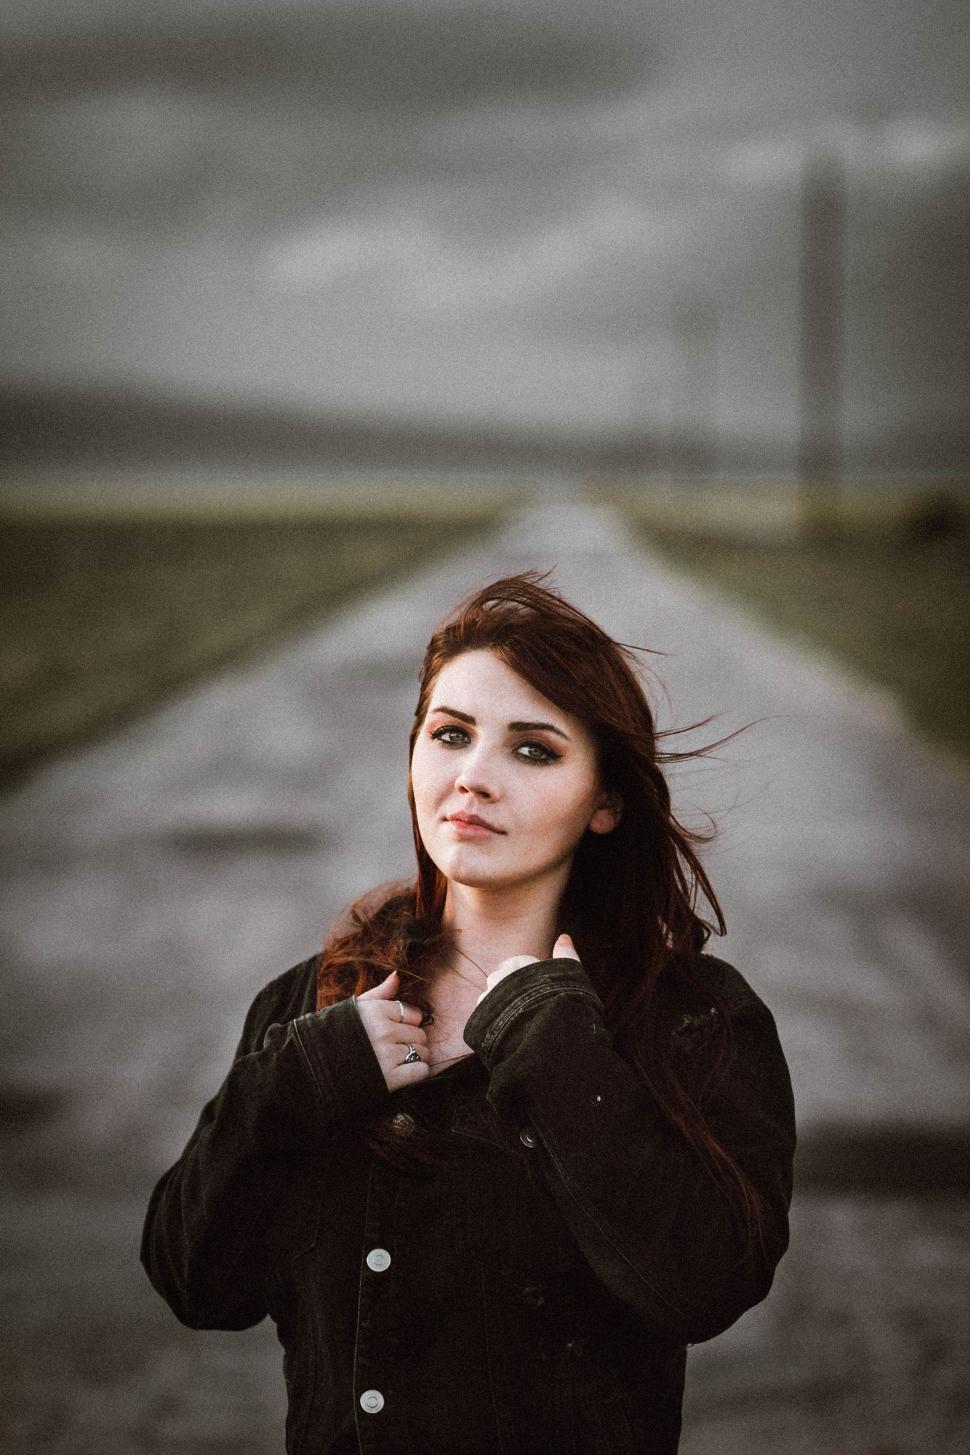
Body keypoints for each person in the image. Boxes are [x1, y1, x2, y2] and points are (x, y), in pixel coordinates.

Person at [141, 572, 796, 1455]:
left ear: (604, 801)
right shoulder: (317, 1003)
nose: (473, 778)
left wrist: (552, 1041)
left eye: (533, 750)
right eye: (450, 735)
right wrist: (297, 1078)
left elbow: (704, 1284)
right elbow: (197, 1281)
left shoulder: (696, 1020)